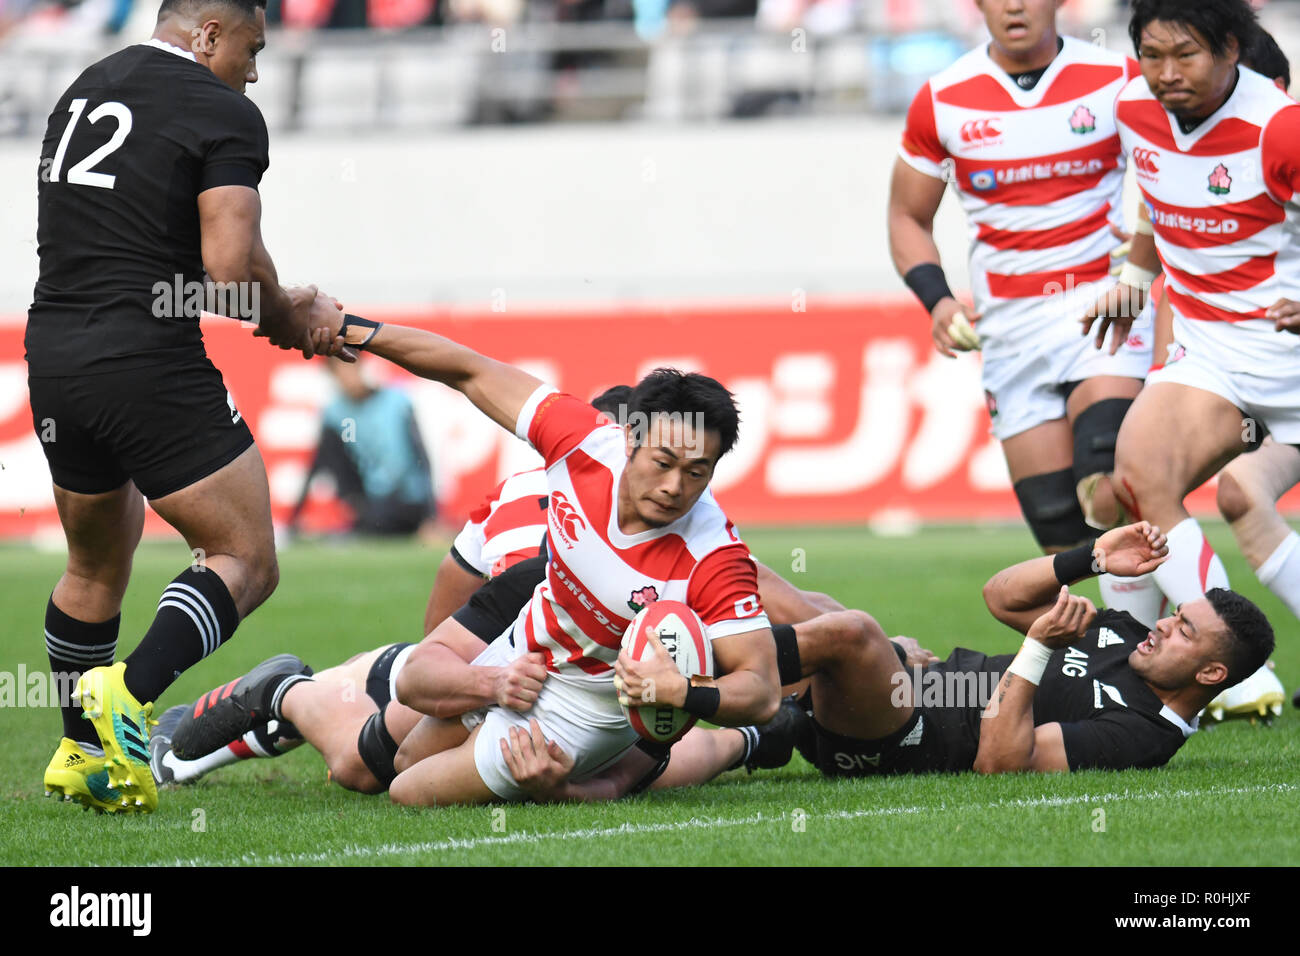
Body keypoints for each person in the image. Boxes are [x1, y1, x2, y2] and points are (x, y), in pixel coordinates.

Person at [166, 315, 784, 806]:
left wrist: (686, 694)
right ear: (629, 440)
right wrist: (348, 327)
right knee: (381, 754)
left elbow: (759, 685)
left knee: (398, 786)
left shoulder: (715, 556)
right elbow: (466, 369)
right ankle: (297, 693)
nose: (677, 487)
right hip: (520, 626)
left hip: (589, 701)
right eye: (664, 463)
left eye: (697, 471)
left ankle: (755, 740)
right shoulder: (580, 442)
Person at [30, 0, 343, 814]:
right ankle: (127, 698)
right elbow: (230, 264)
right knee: (244, 557)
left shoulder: (89, 84)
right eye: (251, 47)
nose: (255, 68)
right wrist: (283, 311)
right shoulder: (221, 108)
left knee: (94, 564)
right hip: (145, 356)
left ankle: (81, 752)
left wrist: (277, 309)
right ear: (208, 35)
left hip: (55, 351)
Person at [888, 0, 1160, 623]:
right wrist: (937, 299)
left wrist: (1140, 271)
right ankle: (1124, 654)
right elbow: (907, 216)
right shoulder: (943, 97)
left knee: (1108, 484)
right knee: (1060, 531)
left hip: (1101, 310)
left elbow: (1165, 174)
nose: (1015, 4)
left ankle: (1160, 668)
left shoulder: (1117, 79)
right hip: (1008, 330)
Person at [1089, 0, 1300, 716]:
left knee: (1242, 498)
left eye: (1186, 55)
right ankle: (1228, 669)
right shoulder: (1132, 108)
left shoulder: (1279, 127)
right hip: (1214, 350)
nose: (1166, 74)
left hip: (1294, 355)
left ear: (1232, 50)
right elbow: (1156, 195)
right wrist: (1134, 283)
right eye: (1152, 56)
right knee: (1136, 476)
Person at [287, 357, 436, 538]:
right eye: (340, 373)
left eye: (350, 369)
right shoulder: (335, 412)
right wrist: (293, 520)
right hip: (372, 500)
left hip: (409, 498)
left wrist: (432, 516)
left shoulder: (397, 402)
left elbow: (421, 455)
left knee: (381, 519)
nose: (348, 377)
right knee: (331, 444)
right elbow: (318, 463)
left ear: (360, 367)